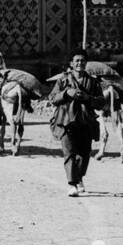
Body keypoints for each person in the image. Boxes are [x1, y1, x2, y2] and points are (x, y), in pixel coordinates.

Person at [49, 49, 101, 196]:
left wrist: (88, 98)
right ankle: (72, 184)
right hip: (66, 121)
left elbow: (101, 102)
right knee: (69, 153)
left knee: (84, 154)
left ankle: (79, 177)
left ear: (86, 63)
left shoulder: (92, 82)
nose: (80, 63)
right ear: (71, 63)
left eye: (82, 61)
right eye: (77, 61)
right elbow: (52, 98)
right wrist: (66, 93)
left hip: (85, 122)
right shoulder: (63, 80)